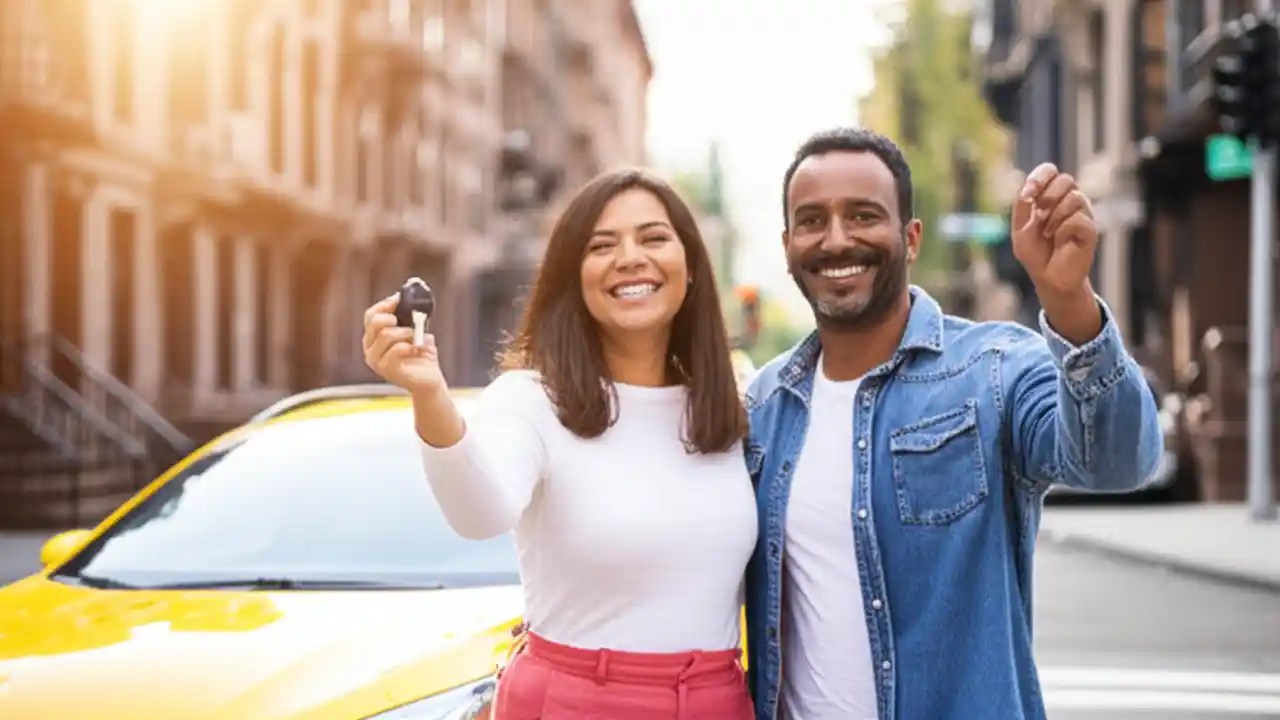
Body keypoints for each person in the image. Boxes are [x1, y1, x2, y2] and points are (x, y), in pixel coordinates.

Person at [742, 128, 1162, 720]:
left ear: (909, 238)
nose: (837, 239)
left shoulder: (992, 369)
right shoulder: (764, 406)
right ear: (788, 246)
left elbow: (1118, 463)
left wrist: (1069, 302)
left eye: (863, 216)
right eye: (812, 221)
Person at [362, 168, 756, 719]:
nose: (630, 257)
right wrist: (429, 394)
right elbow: (479, 512)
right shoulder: (530, 400)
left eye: (653, 238)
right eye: (601, 245)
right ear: (574, 277)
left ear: (690, 267)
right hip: (575, 701)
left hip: (718, 700)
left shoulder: (734, 407)